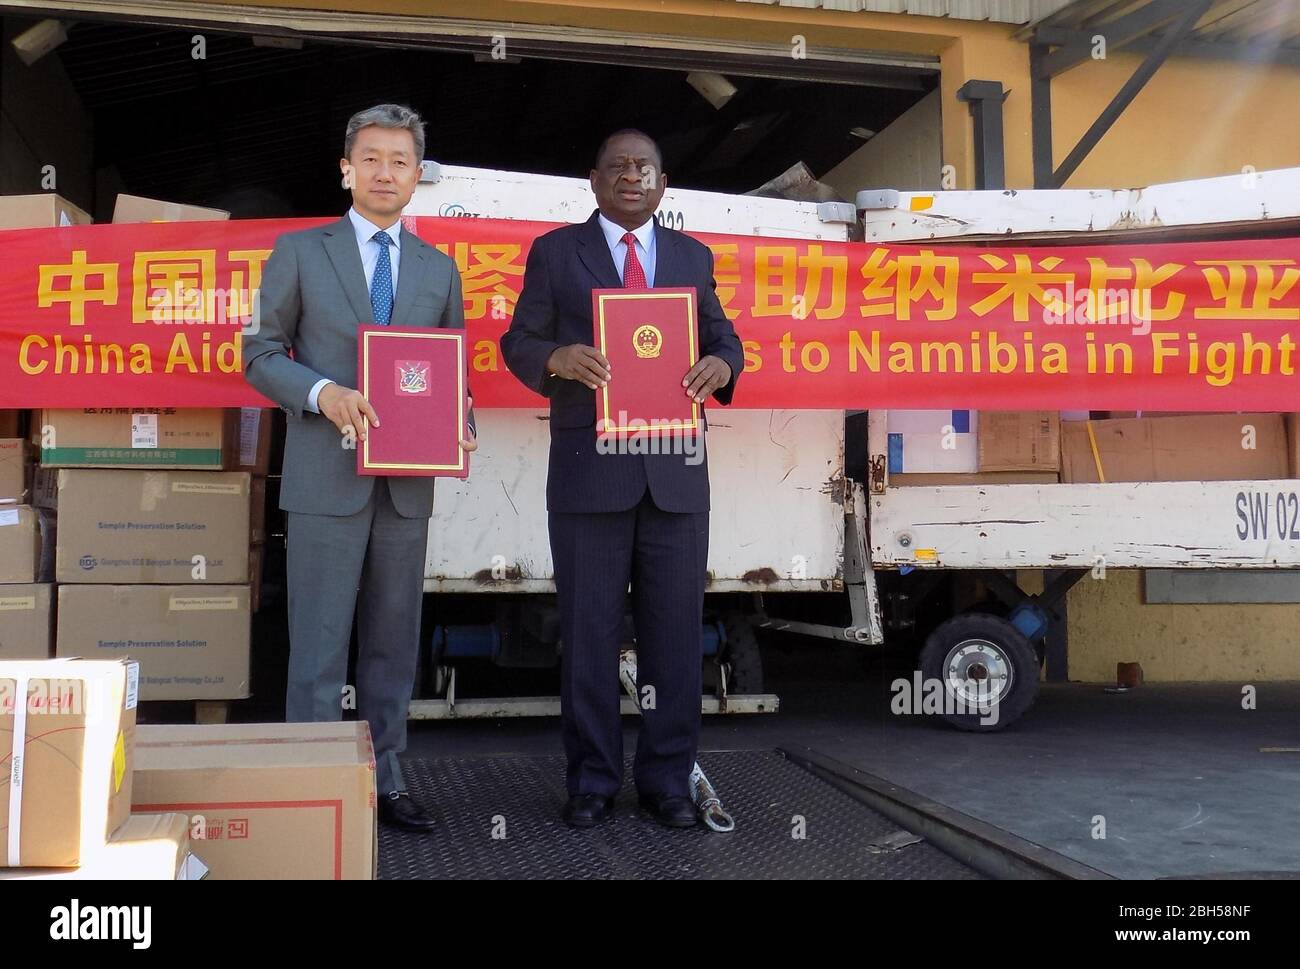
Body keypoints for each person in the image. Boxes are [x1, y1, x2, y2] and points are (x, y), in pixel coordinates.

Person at [244, 103, 475, 833]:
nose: (384, 172)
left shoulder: (439, 269)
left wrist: (460, 425)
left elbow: (452, 372)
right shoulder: (299, 252)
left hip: (406, 487)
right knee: (317, 643)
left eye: (400, 161)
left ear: (417, 176)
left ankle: (388, 779)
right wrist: (324, 392)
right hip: (324, 476)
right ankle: (310, 784)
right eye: (370, 158)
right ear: (346, 170)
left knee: (392, 644)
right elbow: (260, 354)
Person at [501, 129, 743, 828]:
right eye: (618, 166)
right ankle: (592, 780)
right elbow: (518, 340)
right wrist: (555, 358)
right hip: (589, 475)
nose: (631, 176)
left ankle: (668, 781)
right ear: (594, 179)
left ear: (663, 183)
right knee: (588, 634)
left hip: (676, 476)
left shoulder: (692, 257)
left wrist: (723, 365)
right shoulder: (555, 252)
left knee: (675, 636)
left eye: (644, 167)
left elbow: (723, 338)